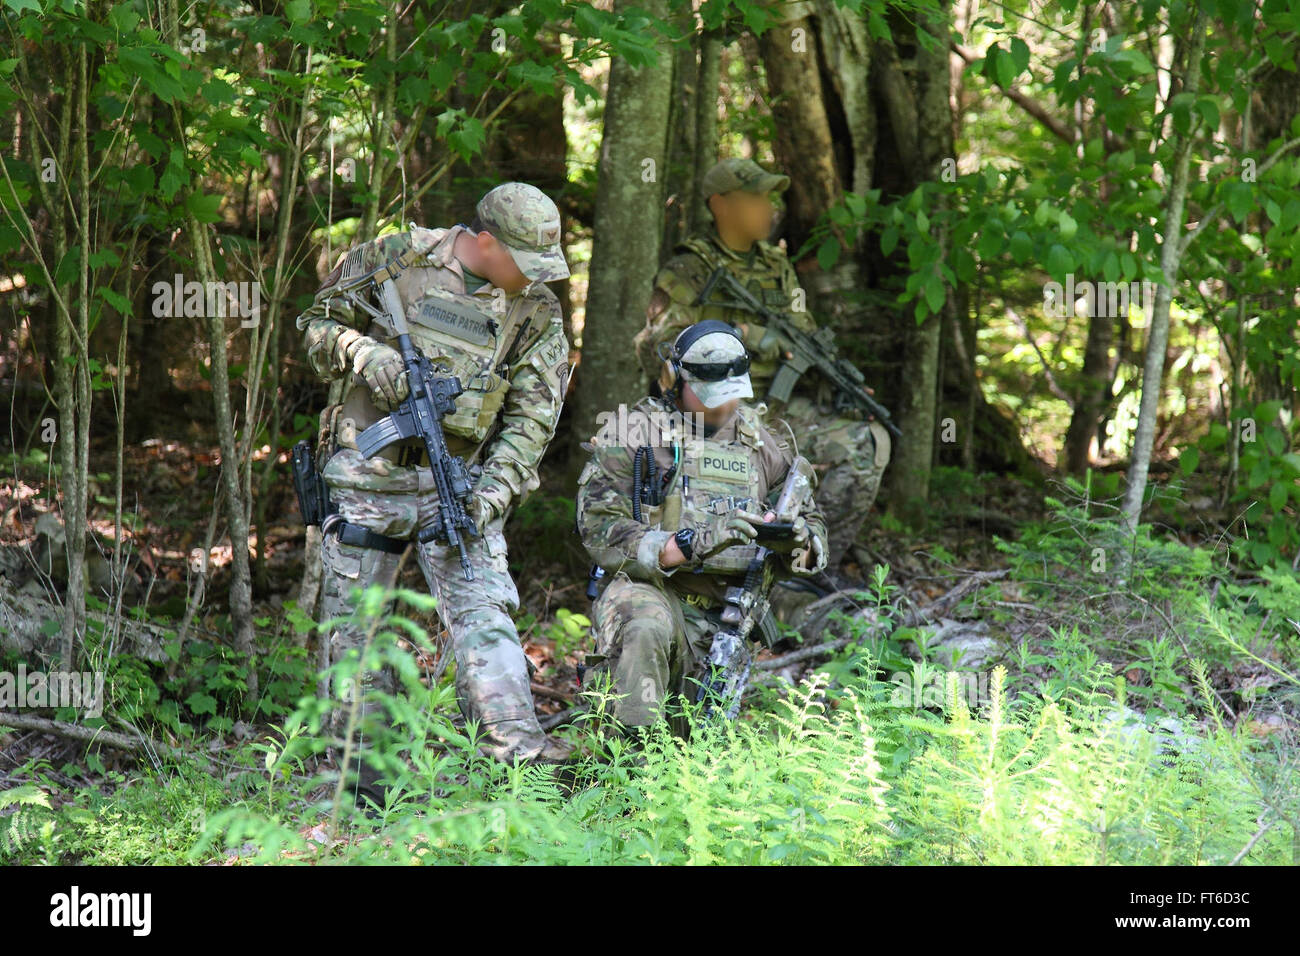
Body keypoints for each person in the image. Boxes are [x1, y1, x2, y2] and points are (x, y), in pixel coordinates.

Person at [295, 182, 575, 807]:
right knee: (360, 632)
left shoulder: (536, 311)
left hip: (461, 484)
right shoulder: (398, 256)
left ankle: (524, 779)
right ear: (483, 241)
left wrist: (491, 495)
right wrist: (365, 355)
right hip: (371, 477)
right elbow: (316, 323)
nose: (532, 280)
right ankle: (362, 790)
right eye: (523, 264)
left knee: (487, 623)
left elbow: (532, 419)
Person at [633, 157, 891, 571]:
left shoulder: (777, 266)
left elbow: (802, 339)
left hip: (777, 407)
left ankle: (807, 568)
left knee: (869, 441)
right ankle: (719, 563)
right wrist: (745, 335)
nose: (768, 208)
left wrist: (840, 387)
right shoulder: (689, 268)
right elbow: (656, 347)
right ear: (720, 204)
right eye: (755, 197)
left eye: (769, 198)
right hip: (712, 413)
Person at [575, 319, 828, 734]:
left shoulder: (762, 442)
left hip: (730, 617)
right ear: (674, 380)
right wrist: (688, 544)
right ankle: (632, 779)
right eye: (710, 396)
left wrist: (800, 540)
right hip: (657, 595)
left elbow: (811, 519)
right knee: (644, 625)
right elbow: (599, 528)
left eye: (732, 397)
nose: (723, 408)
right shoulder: (633, 433)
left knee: (698, 747)